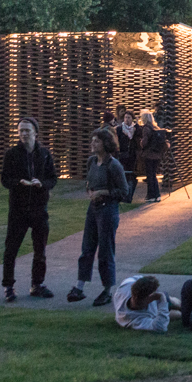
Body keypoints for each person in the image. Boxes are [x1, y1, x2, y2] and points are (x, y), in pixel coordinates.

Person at [0, 117, 59, 302]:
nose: (23, 134)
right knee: (11, 248)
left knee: (40, 248)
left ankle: (37, 284)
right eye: (20, 131)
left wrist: (42, 184)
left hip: (39, 208)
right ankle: (9, 286)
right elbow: (5, 179)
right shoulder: (12, 154)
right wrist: (19, 183)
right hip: (18, 209)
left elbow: (52, 179)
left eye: (27, 130)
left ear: (36, 132)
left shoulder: (44, 154)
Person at [68, 127, 129, 306]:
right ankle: (79, 287)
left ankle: (107, 290)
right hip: (93, 209)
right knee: (87, 248)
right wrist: (90, 190)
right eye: (92, 140)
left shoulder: (114, 165)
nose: (93, 144)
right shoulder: (92, 162)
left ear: (106, 143)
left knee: (105, 251)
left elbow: (124, 192)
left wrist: (103, 192)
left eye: (97, 141)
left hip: (108, 210)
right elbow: (90, 181)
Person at [114, 274, 179, 332]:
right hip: (155, 314)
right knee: (179, 314)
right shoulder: (136, 320)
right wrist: (162, 300)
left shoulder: (125, 288)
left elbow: (135, 279)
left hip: (155, 306)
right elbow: (160, 327)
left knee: (175, 302)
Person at [136, 109, 171, 203]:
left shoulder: (146, 128)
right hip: (157, 155)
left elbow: (145, 142)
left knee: (150, 175)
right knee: (153, 175)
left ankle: (151, 195)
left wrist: (141, 143)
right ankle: (157, 195)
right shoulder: (156, 127)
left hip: (149, 155)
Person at [115, 108, 139, 199]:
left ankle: (129, 194)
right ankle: (123, 193)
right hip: (122, 154)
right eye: (125, 117)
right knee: (123, 173)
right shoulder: (120, 129)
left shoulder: (135, 128)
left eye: (129, 117)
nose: (127, 119)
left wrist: (137, 124)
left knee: (131, 174)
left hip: (132, 154)